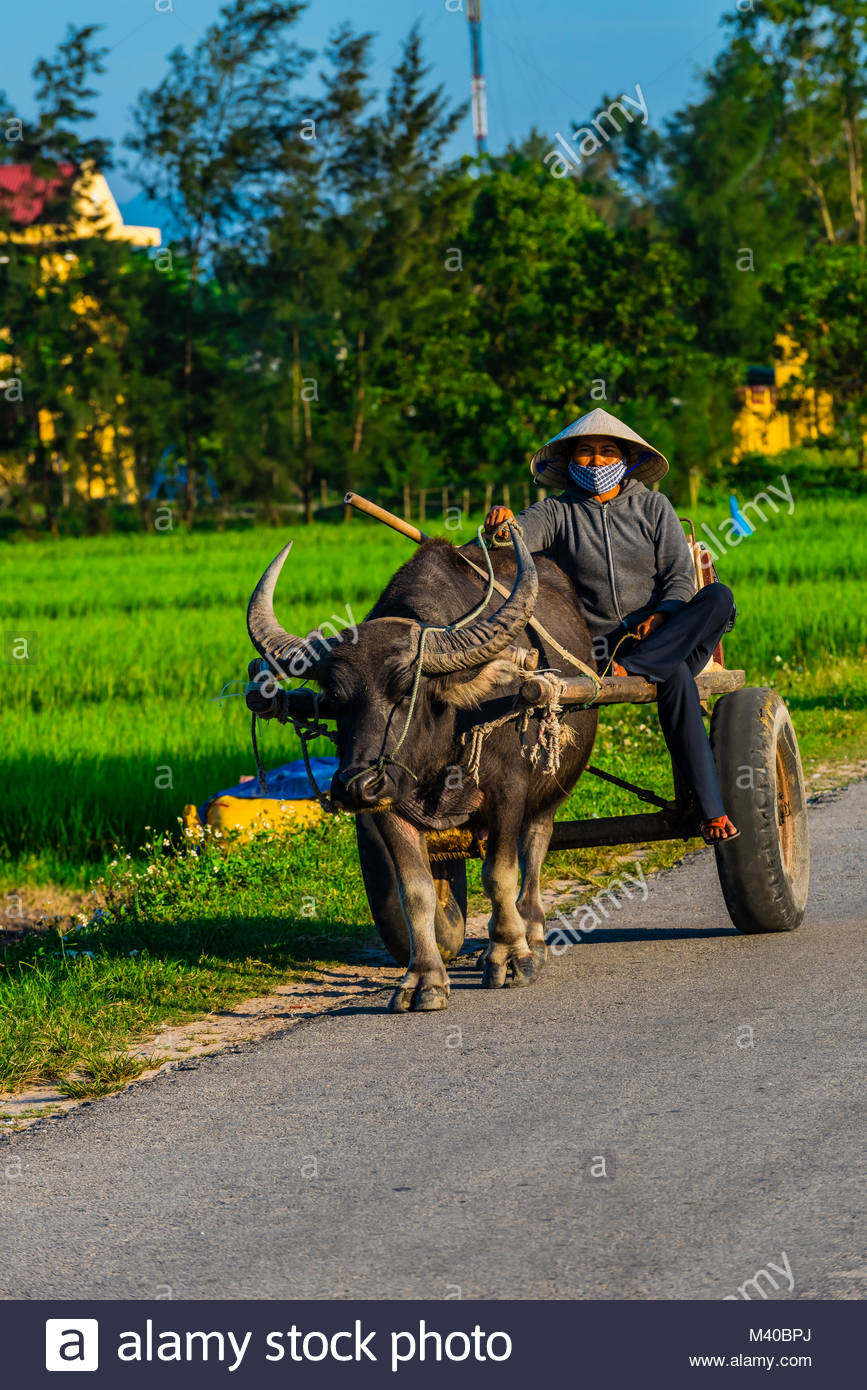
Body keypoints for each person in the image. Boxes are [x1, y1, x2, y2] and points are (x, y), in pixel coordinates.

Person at [483, 407, 739, 843]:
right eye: (585, 453)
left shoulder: (654, 506)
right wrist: (502, 528)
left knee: (719, 597)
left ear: (626, 460)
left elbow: (679, 577)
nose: (597, 462)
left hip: (668, 635)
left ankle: (643, 663)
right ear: (570, 464)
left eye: (606, 452)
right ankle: (712, 812)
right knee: (673, 676)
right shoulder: (558, 513)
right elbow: (515, 538)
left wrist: (662, 616)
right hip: (598, 651)